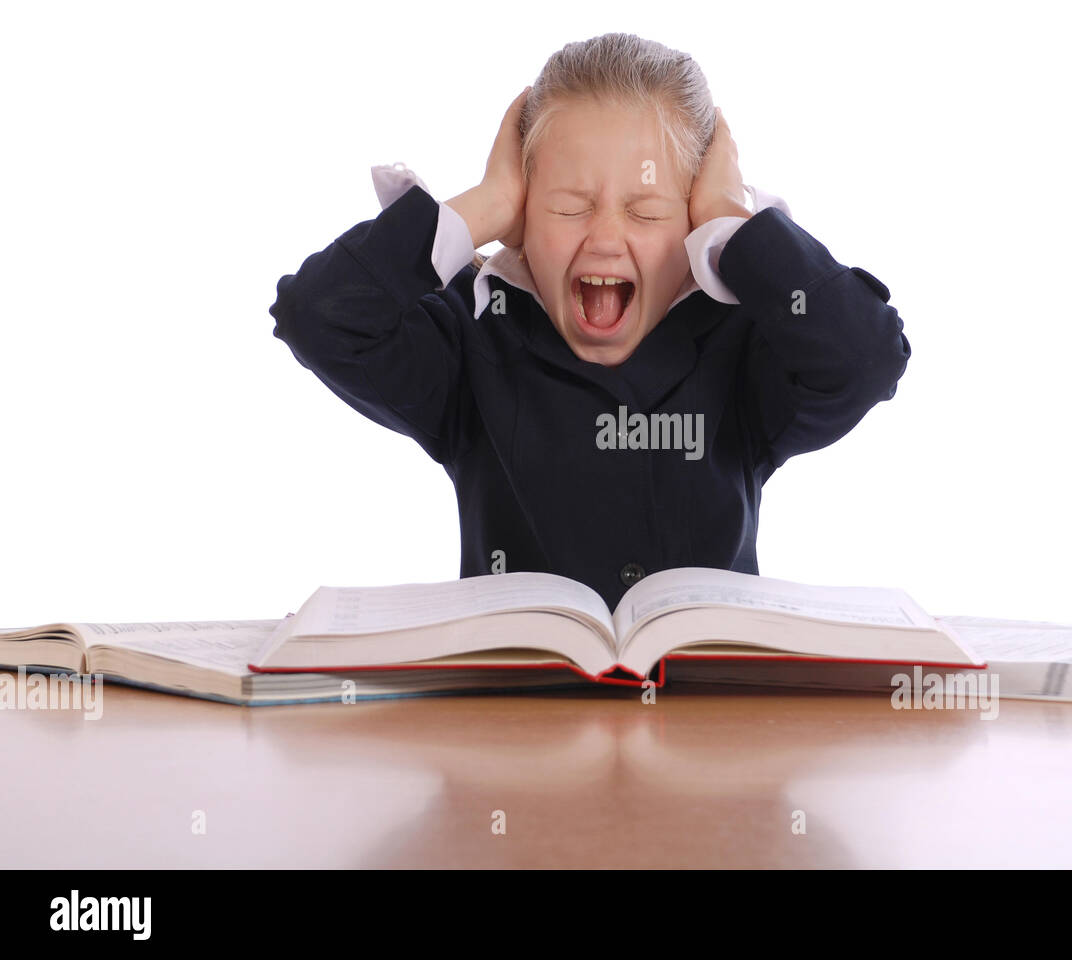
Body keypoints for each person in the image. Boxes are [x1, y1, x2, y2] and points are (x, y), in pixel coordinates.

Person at [268, 32, 910, 612]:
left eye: (649, 212)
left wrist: (730, 220)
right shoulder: (471, 337)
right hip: (511, 730)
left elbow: (864, 358)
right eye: (569, 207)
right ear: (522, 223)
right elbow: (319, 315)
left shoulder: (745, 343)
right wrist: (484, 205)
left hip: (709, 728)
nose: (605, 239)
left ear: (692, 232)